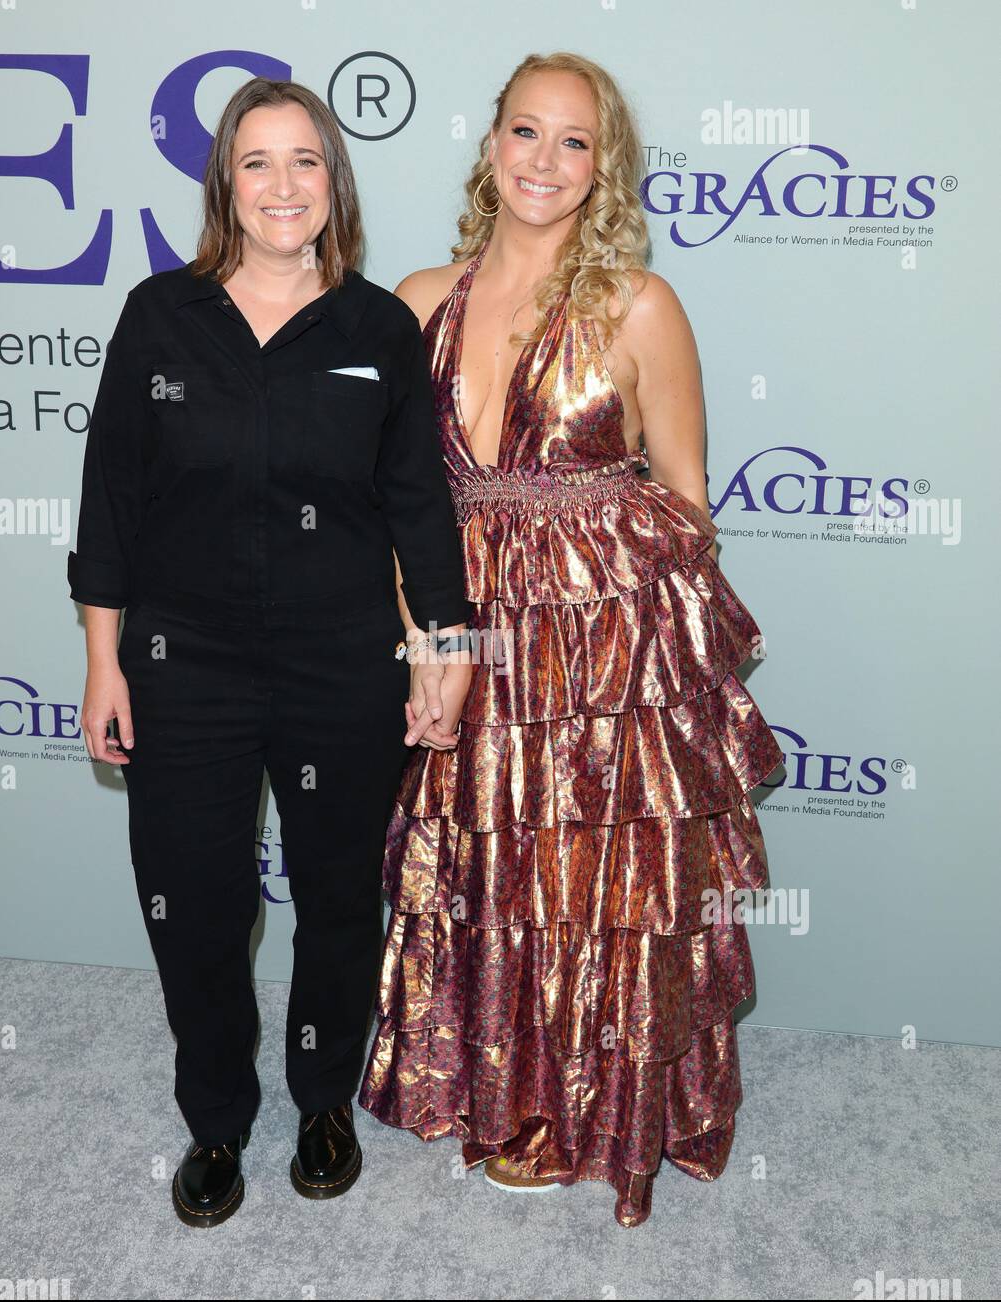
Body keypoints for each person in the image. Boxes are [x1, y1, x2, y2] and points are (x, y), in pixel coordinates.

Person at [358, 52, 784, 1227]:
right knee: (488, 866)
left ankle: (587, 1110)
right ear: (488, 142)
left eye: (574, 141)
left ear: (604, 170)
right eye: (525, 132)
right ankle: (497, 1090)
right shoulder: (412, 298)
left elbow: (687, 502)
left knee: (590, 882)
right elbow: (394, 500)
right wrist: (422, 640)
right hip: (459, 622)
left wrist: (610, 618)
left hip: (601, 653)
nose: (544, 161)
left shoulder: (638, 306)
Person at [68, 77, 472, 1227]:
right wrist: (104, 660)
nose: (282, 185)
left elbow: (419, 511)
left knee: (338, 897)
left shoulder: (377, 329)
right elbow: (111, 506)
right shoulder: (159, 317)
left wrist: (448, 647)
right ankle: (214, 1118)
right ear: (224, 184)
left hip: (340, 664)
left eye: (305, 161)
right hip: (179, 660)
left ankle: (321, 1101)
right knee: (196, 901)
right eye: (257, 162)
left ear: (331, 182)